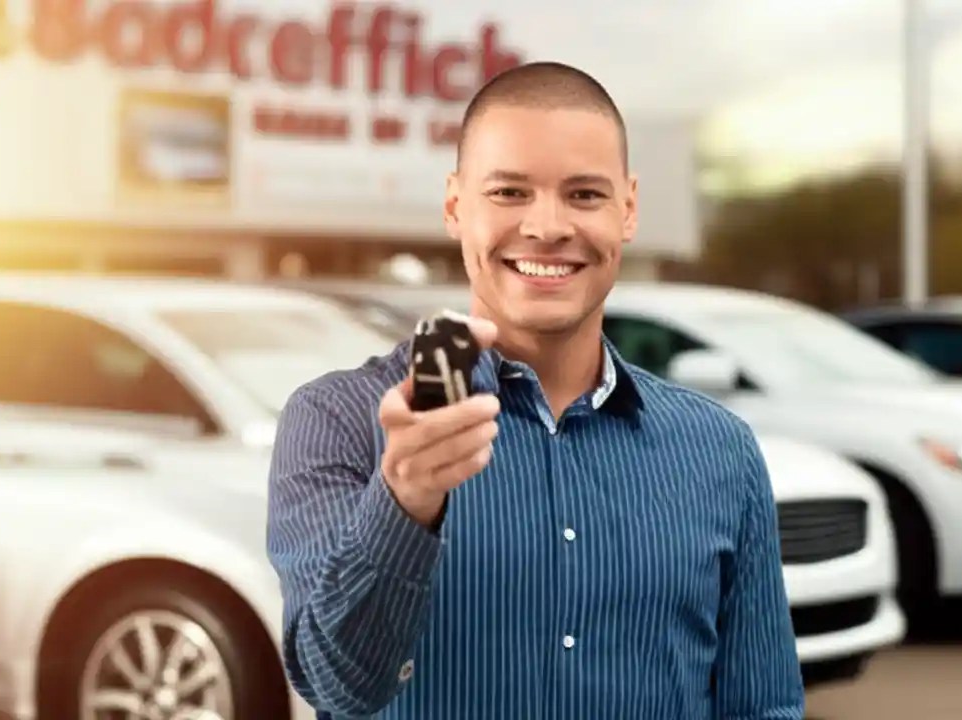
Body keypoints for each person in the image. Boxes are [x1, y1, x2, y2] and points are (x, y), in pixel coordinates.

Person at [266, 60, 804, 719]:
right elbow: (336, 687)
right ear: (455, 206)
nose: (547, 227)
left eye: (584, 195)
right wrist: (405, 503)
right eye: (510, 192)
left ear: (629, 208)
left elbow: (762, 708)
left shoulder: (721, 450)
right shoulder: (336, 421)